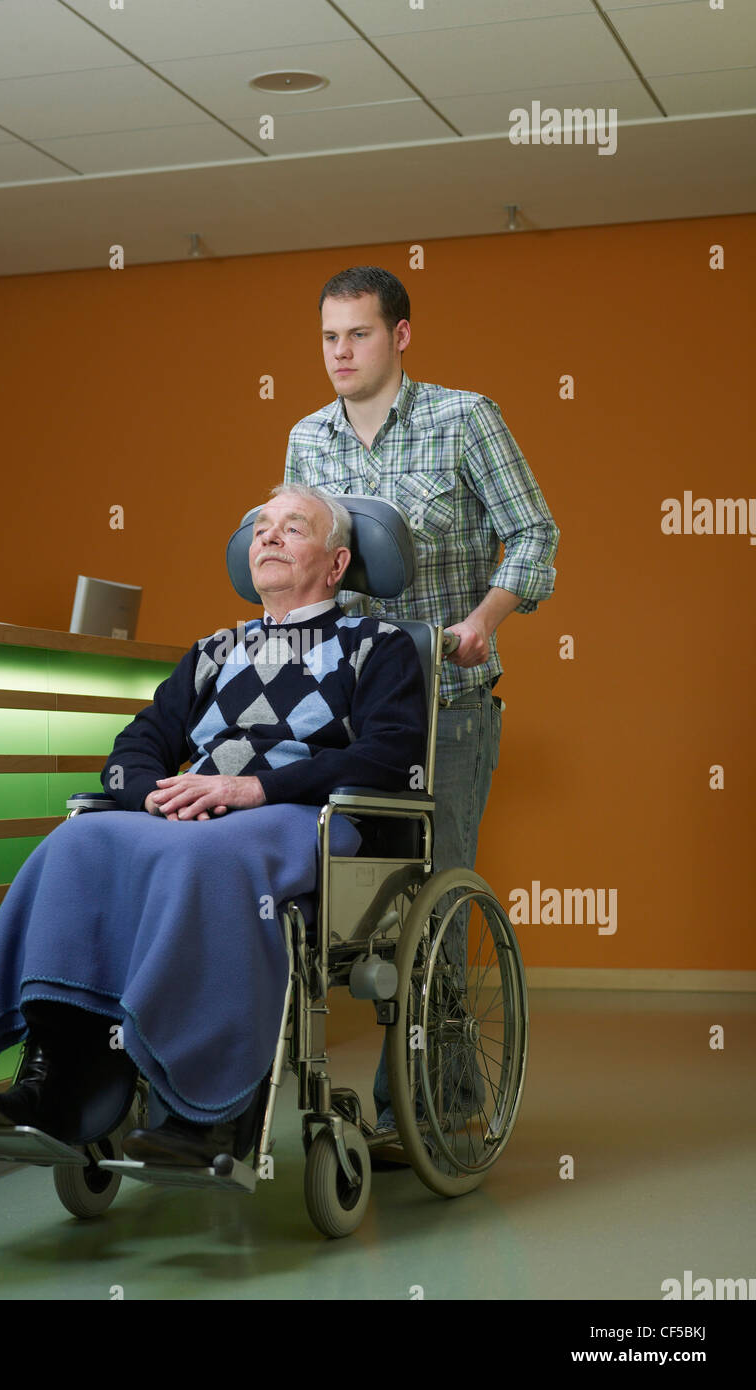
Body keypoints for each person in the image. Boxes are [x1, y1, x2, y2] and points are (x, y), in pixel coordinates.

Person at [0, 484, 427, 1167]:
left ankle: (210, 1110)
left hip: (302, 813)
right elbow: (137, 743)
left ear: (338, 563)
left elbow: (388, 752)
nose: (269, 536)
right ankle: (56, 1085)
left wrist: (254, 787)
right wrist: (154, 797)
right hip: (199, 813)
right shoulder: (215, 650)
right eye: (262, 527)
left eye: (294, 527)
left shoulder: (377, 647)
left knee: (206, 859)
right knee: (78, 840)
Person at [284, 265, 559, 1147]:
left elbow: (536, 532)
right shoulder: (308, 438)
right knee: (355, 913)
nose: (340, 352)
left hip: (450, 704)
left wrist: (482, 619)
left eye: (358, 334)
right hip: (350, 712)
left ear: (400, 336)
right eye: (329, 336)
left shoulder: (463, 419)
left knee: (432, 907)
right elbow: (301, 558)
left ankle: (428, 1114)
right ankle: (357, 1092)